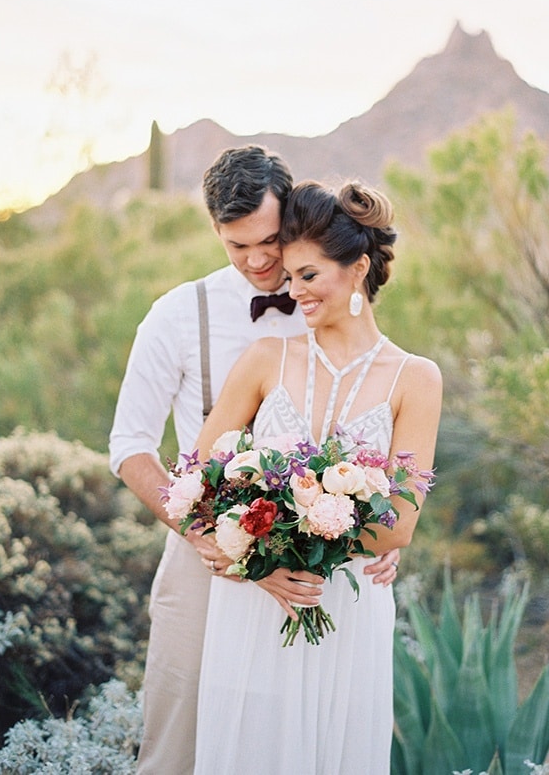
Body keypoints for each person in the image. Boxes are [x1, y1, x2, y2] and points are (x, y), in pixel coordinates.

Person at [108, 146, 400, 775]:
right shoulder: (177, 315)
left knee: (298, 743)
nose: (260, 261)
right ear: (215, 230)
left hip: (320, 575)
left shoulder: (329, 296)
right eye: (237, 245)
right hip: (204, 558)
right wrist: (213, 539)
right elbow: (130, 447)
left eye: (270, 241)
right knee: (177, 747)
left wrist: (377, 528)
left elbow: (372, 418)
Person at [191, 179, 443, 774]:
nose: (294, 290)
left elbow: (399, 525)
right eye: (290, 276)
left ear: (358, 269)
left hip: (349, 609)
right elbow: (194, 486)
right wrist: (256, 564)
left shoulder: (416, 378)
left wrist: (284, 541)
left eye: (308, 275)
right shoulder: (264, 359)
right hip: (256, 605)